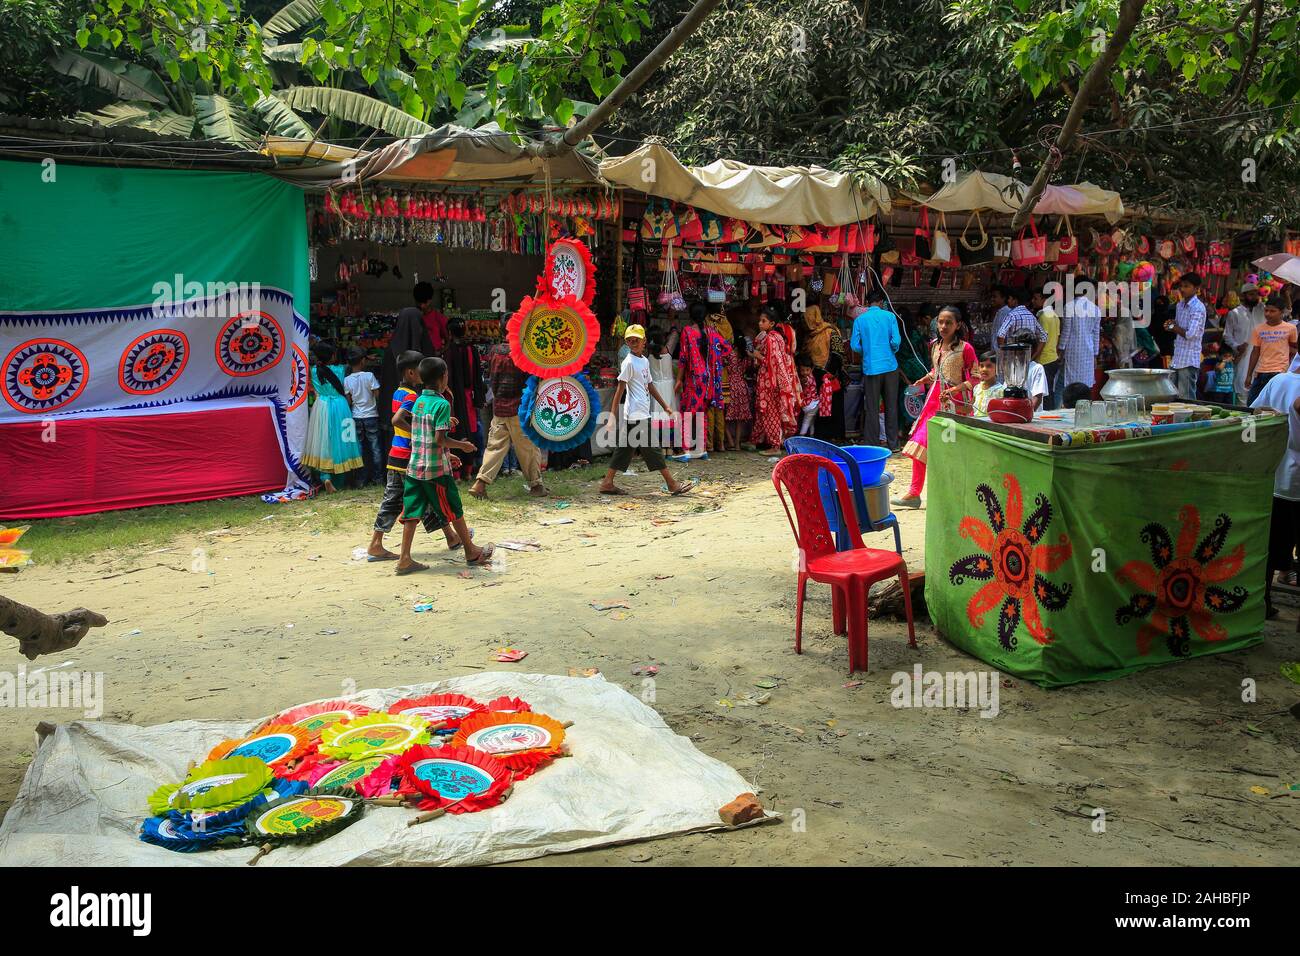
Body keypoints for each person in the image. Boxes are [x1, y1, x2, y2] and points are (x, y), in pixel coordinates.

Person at [367, 349, 466, 561]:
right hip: (408, 454)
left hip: (398, 453)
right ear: (412, 373)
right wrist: (421, 433)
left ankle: (451, 537)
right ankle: (376, 543)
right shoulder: (413, 396)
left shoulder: (398, 392)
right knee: (399, 501)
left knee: (419, 499)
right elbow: (398, 420)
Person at [396, 357, 492, 575]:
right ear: (443, 377)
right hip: (434, 470)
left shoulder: (419, 401)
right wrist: (462, 446)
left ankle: (404, 559)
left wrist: (448, 452)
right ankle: (470, 551)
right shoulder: (442, 404)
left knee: (412, 512)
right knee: (454, 508)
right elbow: (440, 439)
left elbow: (425, 434)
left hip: (415, 467)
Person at [894, 306, 977, 509]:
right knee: (919, 443)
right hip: (934, 401)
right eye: (940, 321)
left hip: (954, 407)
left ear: (958, 325)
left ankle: (953, 493)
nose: (943, 326)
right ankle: (914, 493)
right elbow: (936, 371)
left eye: (948, 322)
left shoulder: (966, 349)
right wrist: (924, 379)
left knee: (949, 449)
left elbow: (975, 377)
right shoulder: (935, 346)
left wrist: (955, 390)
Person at [599, 324, 691, 496]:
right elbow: (620, 390)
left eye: (636, 340)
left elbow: (650, 386)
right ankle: (671, 484)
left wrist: (666, 406)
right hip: (636, 412)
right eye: (630, 340)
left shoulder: (644, 361)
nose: (633, 343)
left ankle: (607, 482)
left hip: (640, 411)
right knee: (652, 448)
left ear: (644, 341)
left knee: (625, 448)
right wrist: (612, 415)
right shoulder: (628, 362)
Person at [469, 320, 546, 500]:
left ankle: (480, 483)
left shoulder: (494, 351)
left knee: (495, 448)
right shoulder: (523, 352)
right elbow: (532, 380)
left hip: (500, 406)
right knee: (528, 448)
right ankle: (536, 485)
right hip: (519, 407)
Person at [1250, 365, 1300, 617]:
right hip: (1292, 478)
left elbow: (1257, 410)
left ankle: (1264, 601)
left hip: (1276, 469)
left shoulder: (1280, 380)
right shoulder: (1283, 380)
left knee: (1272, 543)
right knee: (1279, 542)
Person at [302, 341, 362, 493]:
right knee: (342, 440)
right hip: (340, 406)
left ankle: (325, 477)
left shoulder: (314, 370)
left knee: (324, 441)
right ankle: (339, 481)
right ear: (332, 356)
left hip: (321, 406)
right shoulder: (341, 369)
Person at [380, 282, 438, 436]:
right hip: (421, 419)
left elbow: (386, 386)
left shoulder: (390, 351)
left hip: (395, 418)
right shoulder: (425, 351)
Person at [849, 291, 901, 450]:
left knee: (872, 408)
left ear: (868, 302)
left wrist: (867, 351)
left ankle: (873, 444)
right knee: (891, 406)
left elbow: (854, 345)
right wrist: (891, 350)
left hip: (871, 368)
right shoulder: (890, 317)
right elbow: (896, 341)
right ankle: (893, 444)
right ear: (881, 302)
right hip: (890, 367)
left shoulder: (859, 320)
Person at [751, 305, 800, 454]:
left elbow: (771, 362)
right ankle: (761, 440)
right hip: (776, 380)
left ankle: (774, 446)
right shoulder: (778, 337)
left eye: (763, 321)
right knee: (768, 411)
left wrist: (756, 355)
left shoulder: (770, 338)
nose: (760, 323)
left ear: (771, 323)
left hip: (769, 381)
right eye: (760, 320)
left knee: (770, 412)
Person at [443, 317, 483, 480]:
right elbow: (477, 376)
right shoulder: (471, 350)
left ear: (450, 332)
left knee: (453, 432)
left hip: (451, 399)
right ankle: (468, 472)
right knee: (470, 432)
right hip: (468, 398)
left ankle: (456, 474)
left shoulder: (447, 351)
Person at [673, 303, 715, 460]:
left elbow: (683, 358)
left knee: (688, 413)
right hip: (706, 377)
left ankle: (686, 449)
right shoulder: (710, 332)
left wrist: (678, 379)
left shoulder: (687, 331)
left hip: (693, 377)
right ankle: (702, 448)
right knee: (701, 413)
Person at [1244, 295, 1298, 404]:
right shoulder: (1258, 329)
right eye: (1266, 310)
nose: (1268, 314)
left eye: (1272, 311)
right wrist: (1249, 374)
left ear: (1281, 312)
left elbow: (1295, 348)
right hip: (1260, 373)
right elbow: (1255, 352)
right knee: (1251, 404)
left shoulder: (1291, 328)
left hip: (1279, 373)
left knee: (1273, 405)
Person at [344, 349, 383, 486]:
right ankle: (378, 478)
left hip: (356, 416)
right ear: (363, 361)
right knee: (375, 448)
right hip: (371, 415)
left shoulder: (347, 379)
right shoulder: (369, 376)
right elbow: (377, 395)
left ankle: (361, 479)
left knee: (360, 449)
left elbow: (349, 401)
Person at [1059, 276, 1102, 393]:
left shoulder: (1069, 306)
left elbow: (1066, 332)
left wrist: (1060, 350)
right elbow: (1096, 335)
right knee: (1084, 384)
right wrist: (1095, 355)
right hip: (1088, 351)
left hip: (1072, 350)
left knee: (1070, 384)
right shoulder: (1096, 309)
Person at [1224, 284, 1263, 406]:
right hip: (1243, 356)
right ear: (1243, 296)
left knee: (1259, 390)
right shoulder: (1234, 313)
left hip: (1262, 357)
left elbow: (1284, 312)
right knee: (1242, 388)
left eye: (1256, 294)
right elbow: (1227, 336)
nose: (1255, 297)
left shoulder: (1263, 310)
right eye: (1251, 294)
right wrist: (1237, 346)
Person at [1170, 272, 1207, 400]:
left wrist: (1173, 327)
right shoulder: (1180, 305)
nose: (1182, 289)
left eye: (1186, 286)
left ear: (1196, 289)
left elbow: (1190, 334)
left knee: (1187, 398)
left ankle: (1188, 420)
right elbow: (1178, 325)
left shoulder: (1198, 307)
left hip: (1189, 359)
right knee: (1172, 396)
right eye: (1181, 286)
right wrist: (1172, 324)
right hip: (1177, 358)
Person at [703, 310, 735, 454]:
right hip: (721, 375)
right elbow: (729, 348)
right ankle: (720, 444)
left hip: (709, 377)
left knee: (709, 410)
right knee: (720, 411)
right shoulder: (720, 335)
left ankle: (710, 445)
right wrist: (720, 357)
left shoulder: (704, 336)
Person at [1030, 287, 1062, 409]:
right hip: (1053, 358)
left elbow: (1042, 340)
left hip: (1045, 359)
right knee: (1049, 390)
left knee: (1044, 393)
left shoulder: (1044, 317)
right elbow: (1057, 337)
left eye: (1036, 298)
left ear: (1045, 300)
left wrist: (1033, 357)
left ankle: (1048, 414)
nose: (1033, 301)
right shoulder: (1054, 315)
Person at [996, 286, 1046, 362]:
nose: (1008, 301)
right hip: (1026, 359)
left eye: (1009, 298)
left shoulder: (1012, 315)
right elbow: (1044, 336)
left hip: (1013, 359)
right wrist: (1033, 357)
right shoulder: (1031, 316)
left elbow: (1000, 334)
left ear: (1015, 300)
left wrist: (1004, 355)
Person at [647, 333, 679, 451]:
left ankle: (658, 446)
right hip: (668, 387)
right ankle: (669, 447)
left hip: (655, 388)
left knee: (657, 416)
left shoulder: (649, 356)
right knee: (669, 416)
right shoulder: (668, 352)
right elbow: (674, 336)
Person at [725, 332, 754, 450]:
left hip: (730, 386)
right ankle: (737, 444)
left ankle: (730, 441)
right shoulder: (746, 357)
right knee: (739, 419)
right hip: (742, 386)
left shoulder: (730, 355)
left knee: (724, 416)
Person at [972, 352, 1004, 417]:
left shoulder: (1001, 391)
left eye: (989, 366)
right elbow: (969, 408)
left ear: (998, 368)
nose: (984, 369)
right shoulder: (977, 388)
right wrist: (950, 404)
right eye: (981, 366)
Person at [796, 354, 820, 436]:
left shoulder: (807, 379)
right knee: (811, 421)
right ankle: (812, 436)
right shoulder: (811, 376)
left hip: (810, 405)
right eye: (802, 370)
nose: (805, 372)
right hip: (813, 404)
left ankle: (801, 436)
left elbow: (804, 381)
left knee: (806, 422)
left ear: (811, 369)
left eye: (807, 370)